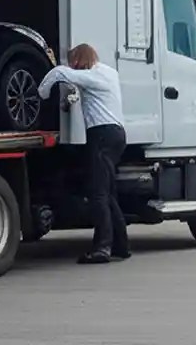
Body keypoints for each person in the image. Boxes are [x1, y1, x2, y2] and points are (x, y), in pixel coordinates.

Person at [38, 43, 130, 264]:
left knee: (97, 194)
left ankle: (102, 248)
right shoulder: (109, 74)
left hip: (101, 136)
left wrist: (42, 92)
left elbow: (60, 73)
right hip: (117, 135)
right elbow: (84, 92)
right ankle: (121, 246)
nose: (72, 65)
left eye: (73, 61)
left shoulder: (93, 76)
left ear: (79, 59)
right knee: (108, 194)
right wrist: (70, 100)